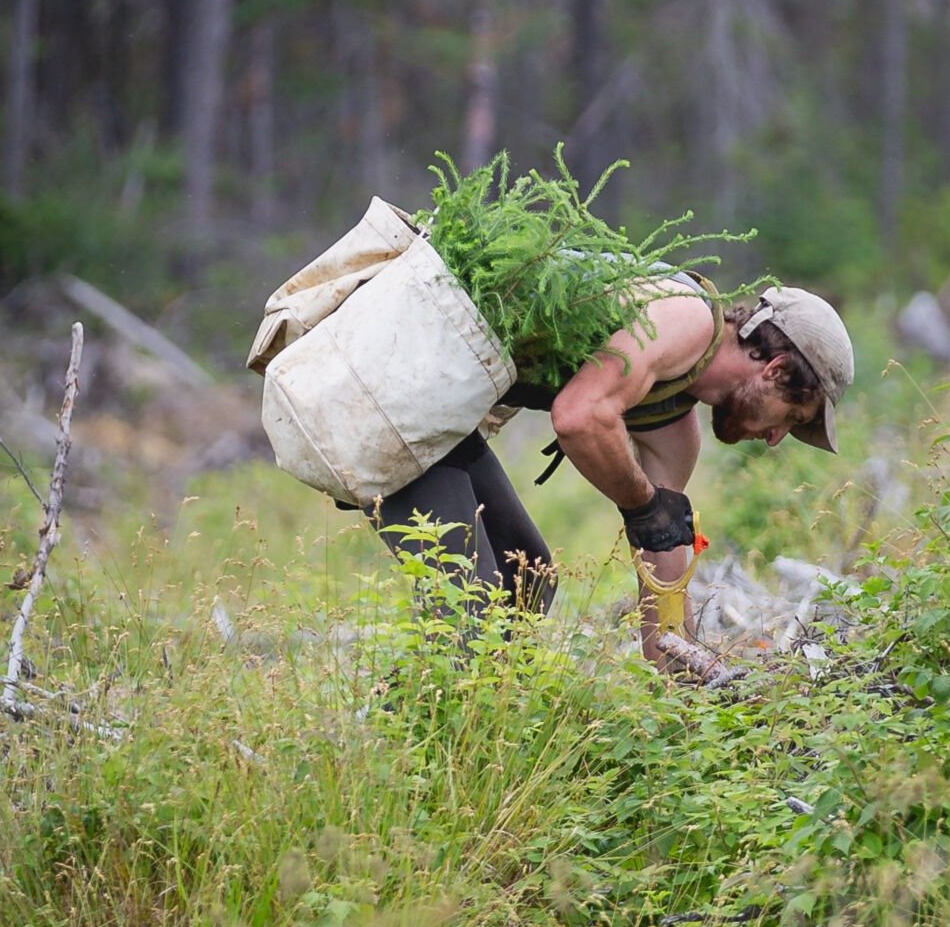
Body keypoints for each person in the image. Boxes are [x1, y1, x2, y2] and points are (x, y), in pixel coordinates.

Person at [365, 277, 855, 671]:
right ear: (774, 369)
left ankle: (463, 730)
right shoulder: (685, 317)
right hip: (391, 381)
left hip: (438, 409)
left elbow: (664, 549)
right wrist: (642, 505)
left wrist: (687, 681)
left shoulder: (674, 426)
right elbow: (578, 417)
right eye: (793, 417)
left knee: (524, 580)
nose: (775, 439)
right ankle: (408, 752)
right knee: (471, 601)